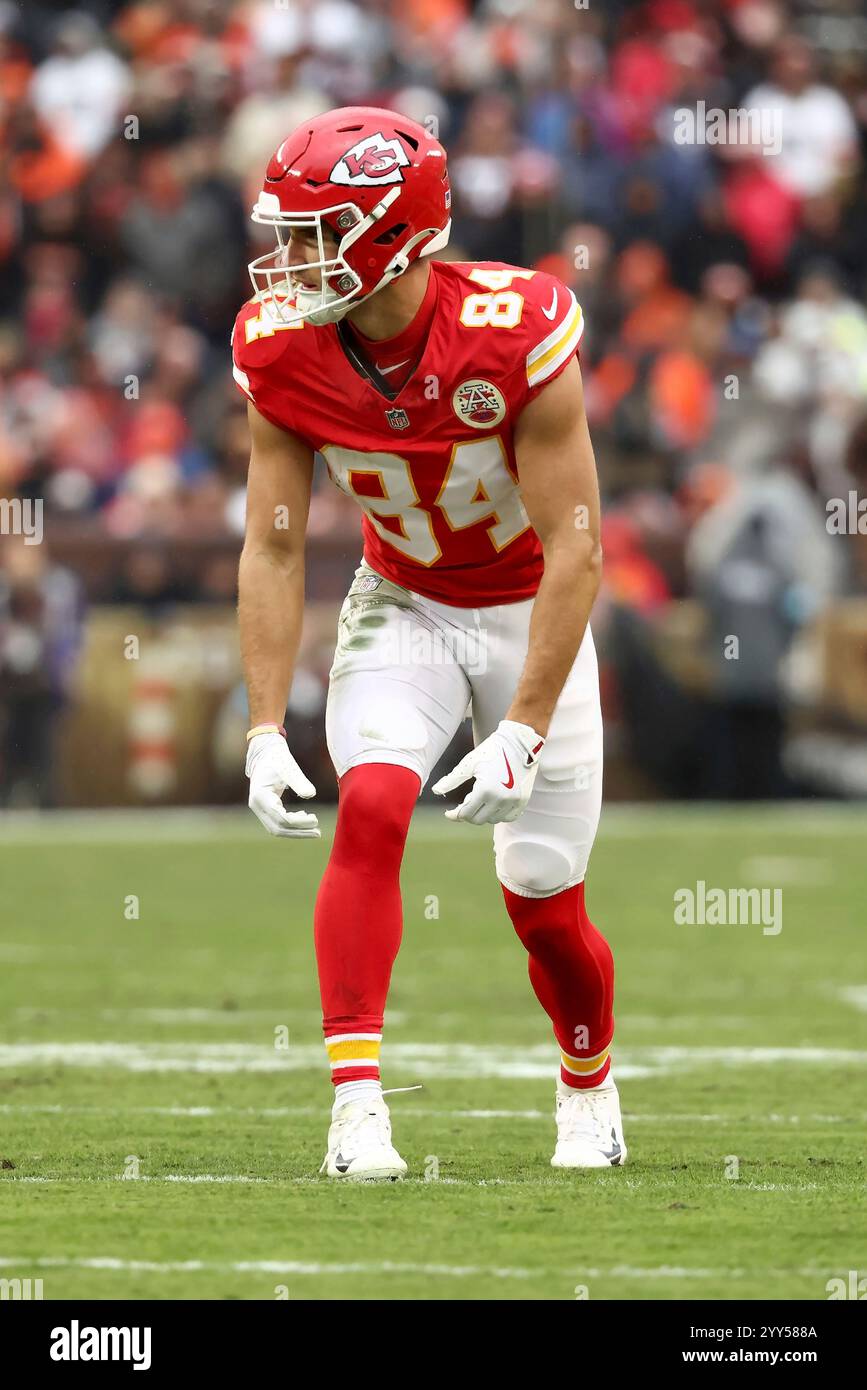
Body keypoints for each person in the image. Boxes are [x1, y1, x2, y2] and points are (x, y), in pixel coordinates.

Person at [233, 107, 623, 1178]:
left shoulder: (514, 326)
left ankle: (587, 1080)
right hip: (402, 601)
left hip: (531, 606)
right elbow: (270, 549)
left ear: (393, 232)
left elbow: (577, 545)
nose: (290, 259)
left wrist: (526, 725)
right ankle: (356, 1105)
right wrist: (266, 724)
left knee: (544, 903)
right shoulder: (282, 349)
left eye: (317, 233)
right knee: (368, 805)